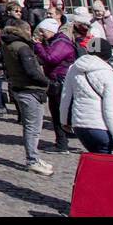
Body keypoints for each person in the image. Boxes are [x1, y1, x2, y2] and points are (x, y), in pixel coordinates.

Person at [0, 18, 53, 176]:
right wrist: (47, 82)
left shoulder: (8, 44)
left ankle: (34, 157)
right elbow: (31, 71)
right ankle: (32, 160)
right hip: (29, 89)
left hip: (19, 87)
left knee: (31, 126)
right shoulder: (22, 47)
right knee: (33, 128)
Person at [61, 37, 113, 154]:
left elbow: (66, 97)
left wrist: (64, 121)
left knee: (95, 161)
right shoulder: (110, 76)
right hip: (100, 127)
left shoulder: (74, 69)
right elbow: (111, 110)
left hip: (79, 125)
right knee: (107, 166)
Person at [33, 17, 76, 155]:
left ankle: (63, 144)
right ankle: (61, 141)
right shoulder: (53, 41)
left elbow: (51, 58)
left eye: (42, 32)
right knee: (57, 113)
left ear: (49, 30)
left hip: (61, 81)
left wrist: (38, 46)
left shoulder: (61, 42)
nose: (40, 35)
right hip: (55, 80)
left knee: (59, 112)